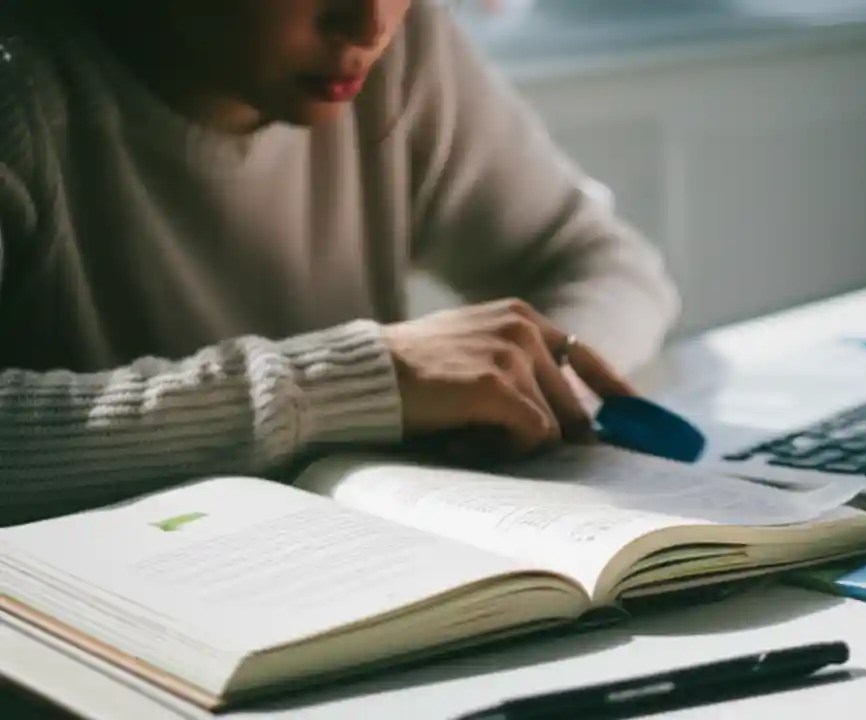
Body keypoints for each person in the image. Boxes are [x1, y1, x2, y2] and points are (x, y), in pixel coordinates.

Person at [0, 0, 681, 526]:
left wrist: (531, 385)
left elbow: (603, 262)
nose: (369, 25)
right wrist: (349, 383)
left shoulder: (404, 52)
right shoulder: (22, 86)